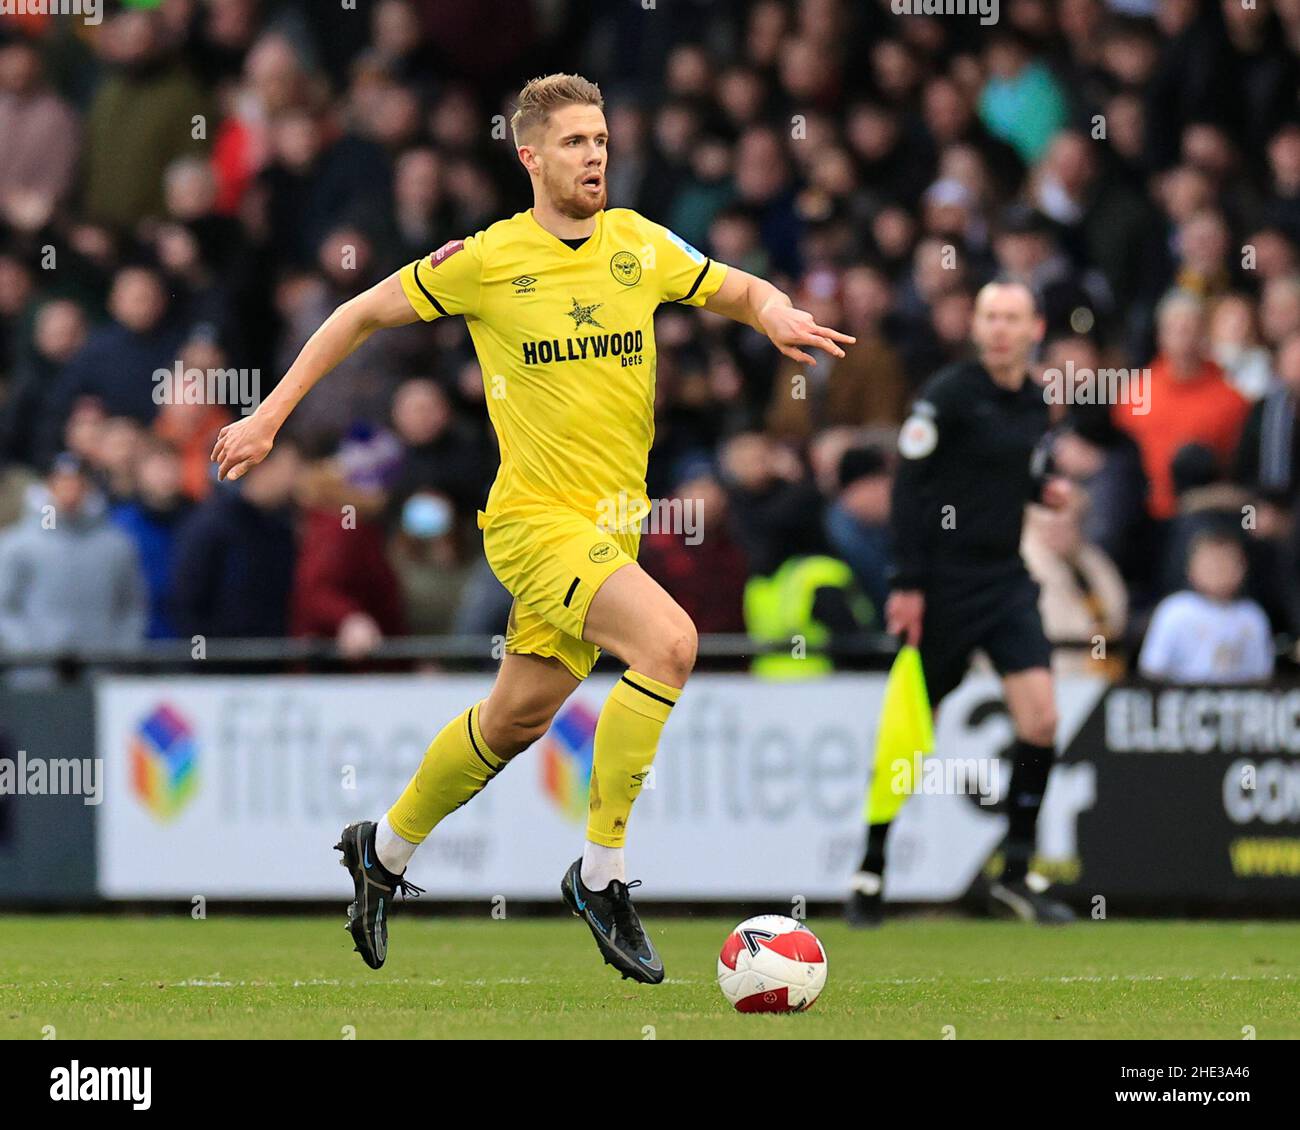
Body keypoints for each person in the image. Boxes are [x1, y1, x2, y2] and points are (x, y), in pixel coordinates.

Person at [210, 73, 853, 982]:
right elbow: (357, 314)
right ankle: (603, 874)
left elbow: (733, 287)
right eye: (576, 143)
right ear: (532, 156)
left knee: (514, 720)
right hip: (532, 523)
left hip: (608, 531)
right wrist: (270, 417)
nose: (595, 156)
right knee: (670, 644)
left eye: (601, 139)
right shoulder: (486, 260)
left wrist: (774, 309)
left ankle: (381, 852)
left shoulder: (637, 243)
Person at [848, 280, 1076, 928]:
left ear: (1034, 330)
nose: (1000, 329)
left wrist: (1040, 490)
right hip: (942, 585)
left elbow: (1001, 471)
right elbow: (910, 492)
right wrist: (907, 583)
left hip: (1004, 579)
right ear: (976, 328)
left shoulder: (1036, 402)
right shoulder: (947, 396)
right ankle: (870, 870)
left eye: (1012, 318)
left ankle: (1015, 875)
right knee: (911, 733)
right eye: (990, 317)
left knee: (1042, 720)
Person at [1138, 530, 1274, 684]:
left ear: (1243, 568)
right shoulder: (1174, 611)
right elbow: (1152, 671)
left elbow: (1262, 678)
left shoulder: (1253, 616)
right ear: (1191, 568)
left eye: (1226, 562)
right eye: (1211, 563)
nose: (1218, 569)